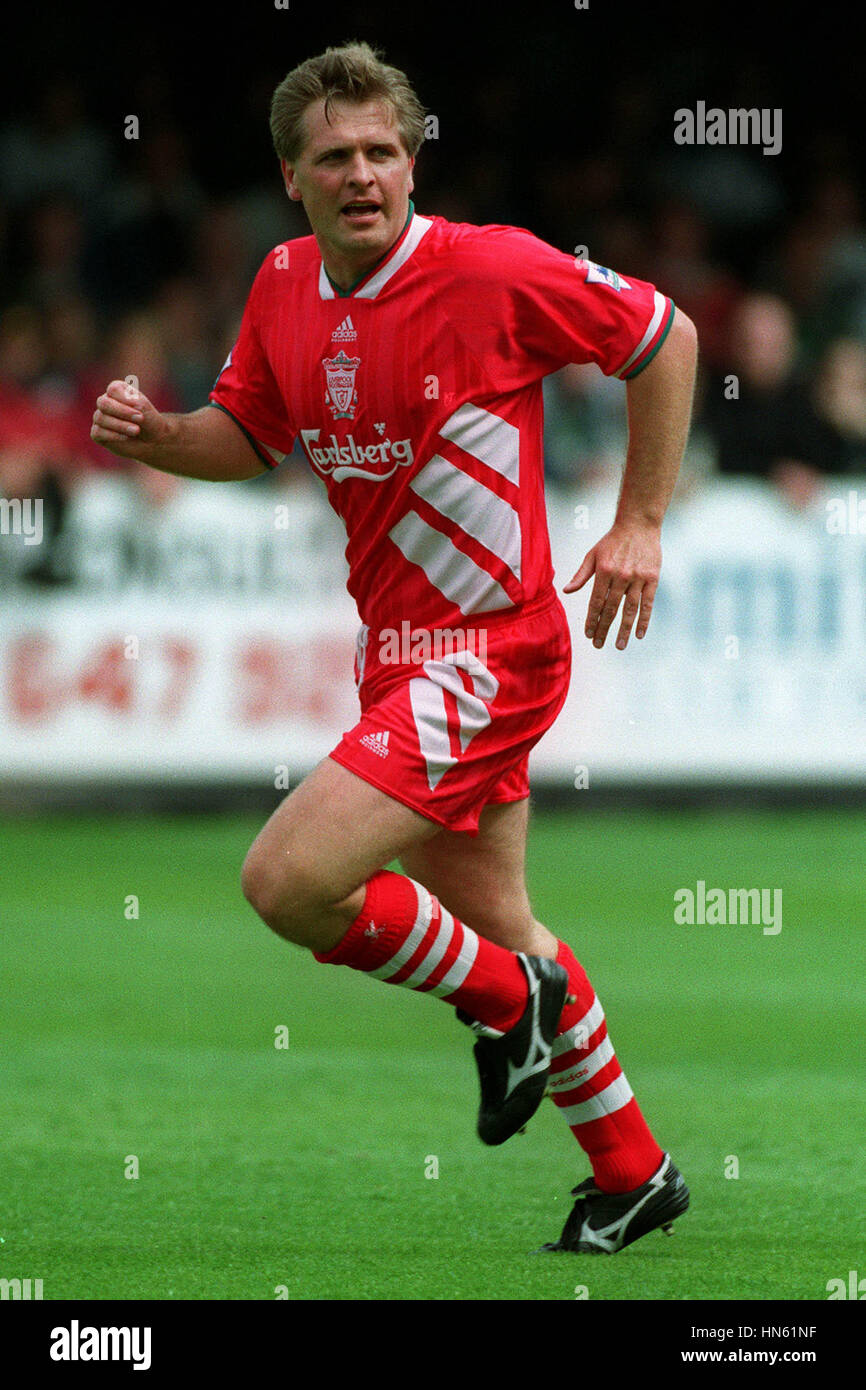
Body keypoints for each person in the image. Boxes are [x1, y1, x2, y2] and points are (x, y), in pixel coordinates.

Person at [90, 41, 698, 1255]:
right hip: (400, 654)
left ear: (413, 159)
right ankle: (631, 1171)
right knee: (506, 922)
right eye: (335, 158)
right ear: (291, 178)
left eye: (381, 151)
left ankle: (501, 1005)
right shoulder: (280, 285)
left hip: (491, 653)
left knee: (286, 882)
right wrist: (159, 438)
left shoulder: (492, 268)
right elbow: (249, 433)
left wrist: (636, 521)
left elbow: (663, 335)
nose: (362, 173)